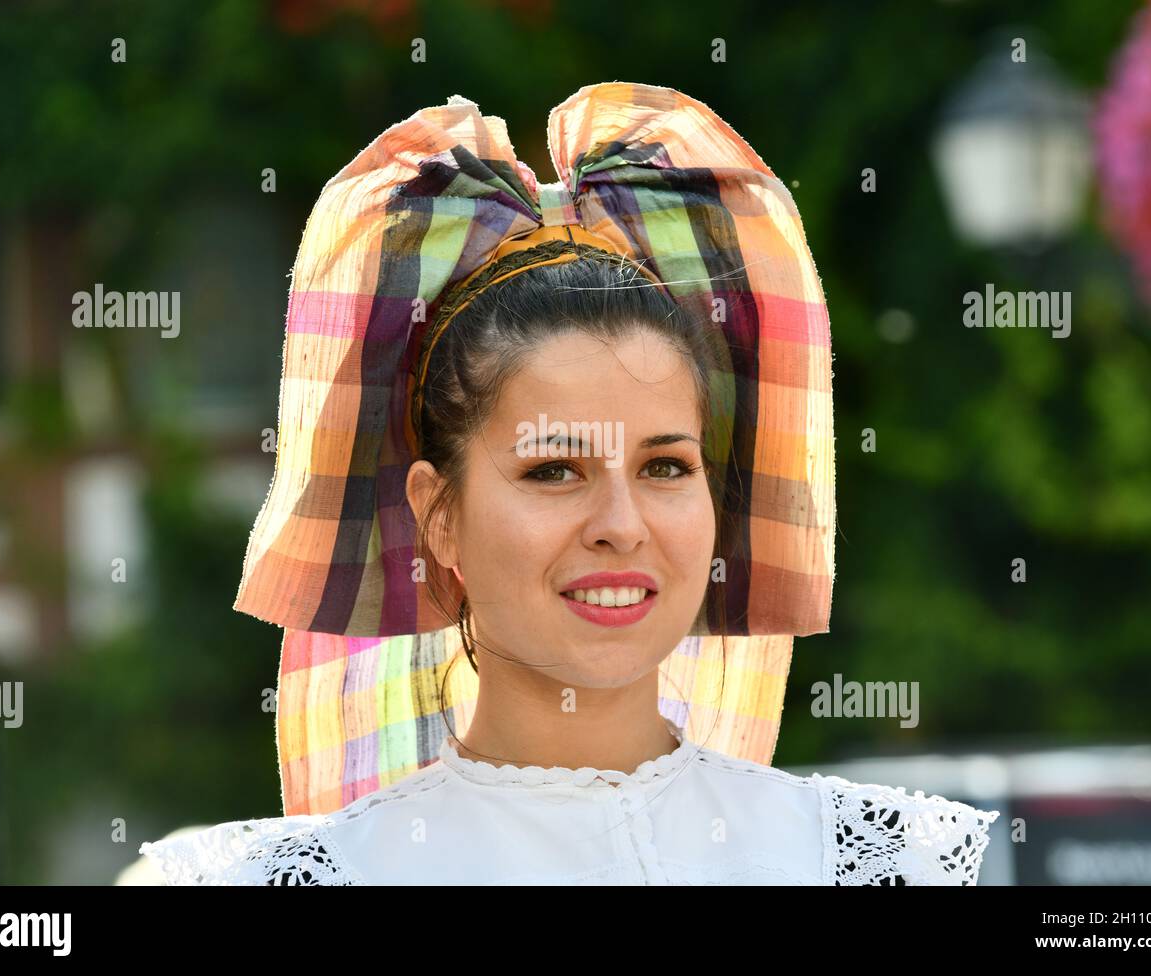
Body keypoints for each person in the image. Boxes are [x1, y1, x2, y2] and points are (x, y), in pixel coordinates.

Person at [138, 82, 999, 885]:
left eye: (665, 466)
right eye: (555, 470)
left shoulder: (887, 865)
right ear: (439, 518)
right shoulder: (277, 878)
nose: (622, 525)